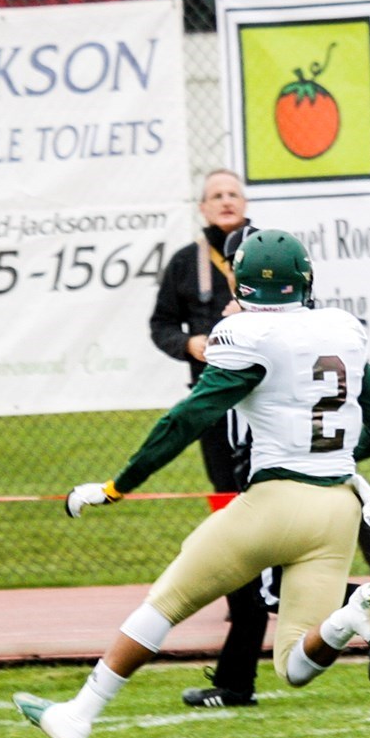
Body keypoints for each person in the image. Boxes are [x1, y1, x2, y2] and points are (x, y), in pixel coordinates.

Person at [14, 230, 370, 738]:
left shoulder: (243, 333)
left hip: (274, 505)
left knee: (165, 603)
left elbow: (187, 419)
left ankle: (80, 714)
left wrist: (116, 486)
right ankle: (352, 616)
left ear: (240, 282)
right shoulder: (340, 327)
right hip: (337, 508)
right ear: (306, 279)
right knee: (294, 665)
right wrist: (332, 458)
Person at [149, 171, 269, 707]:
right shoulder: (185, 262)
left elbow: (302, 314)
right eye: (216, 195)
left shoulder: (270, 251)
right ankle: (237, 670)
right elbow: (161, 326)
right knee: (237, 527)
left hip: (268, 409)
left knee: (262, 534)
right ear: (201, 207)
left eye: (233, 193)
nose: (226, 201)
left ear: (246, 203)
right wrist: (193, 344)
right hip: (215, 411)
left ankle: (355, 606)